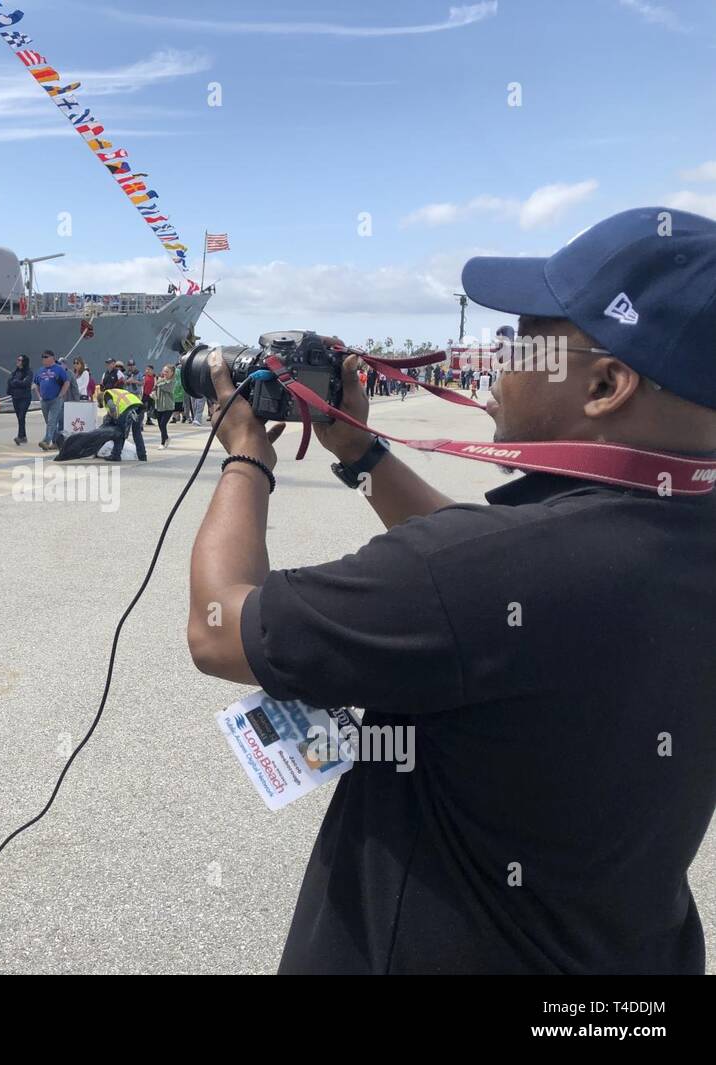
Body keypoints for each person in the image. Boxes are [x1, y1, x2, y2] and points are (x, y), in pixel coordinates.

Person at [186, 206, 716, 975]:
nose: (498, 350)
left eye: (527, 335)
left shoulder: (491, 569)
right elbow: (498, 599)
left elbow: (218, 624)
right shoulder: (674, 529)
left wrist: (245, 454)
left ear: (605, 383)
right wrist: (361, 452)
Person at [33, 349, 71, 451]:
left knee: (51, 421)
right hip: (44, 401)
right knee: (49, 422)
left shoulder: (59, 369)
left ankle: (46, 441)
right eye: (42, 357)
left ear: (52, 358)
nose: (43, 359)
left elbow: (66, 382)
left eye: (46, 357)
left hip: (55, 400)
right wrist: (39, 396)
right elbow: (35, 384)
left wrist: (60, 395)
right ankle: (58, 442)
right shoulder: (40, 371)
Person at [98, 386, 147, 462]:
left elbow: (112, 407)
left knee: (120, 433)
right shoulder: (116, 391)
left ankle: (115, 455)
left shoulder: (107, 395)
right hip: (139, 408)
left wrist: (115, 418)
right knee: (137, 434)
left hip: (128, 410)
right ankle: (142, 456)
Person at [8, 354, 33, 444]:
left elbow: (26, 383)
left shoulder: (29, 372)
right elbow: (10, 382)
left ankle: (20, 436)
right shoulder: (15, 372)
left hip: (25, 398)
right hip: (15, 397)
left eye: (19, 360)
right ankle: (23, 436)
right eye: (17, 359)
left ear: (24, 362)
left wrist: (16, 382)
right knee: (19, 417)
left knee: (22, 416)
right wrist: (18, 382)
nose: (17, 361)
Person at [153, 363, 176, 448]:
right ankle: (166, 438)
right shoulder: (160, 380)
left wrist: (157, 383)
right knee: (160, 425)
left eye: (167, 371)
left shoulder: (172, 381)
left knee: (163, 424)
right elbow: (155, 388)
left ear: (172, 373)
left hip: (168, 407)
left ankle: (163, 443)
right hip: (159, 406)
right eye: (164, 371)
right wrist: (153, 393)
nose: (165, 373)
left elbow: (165, 387)